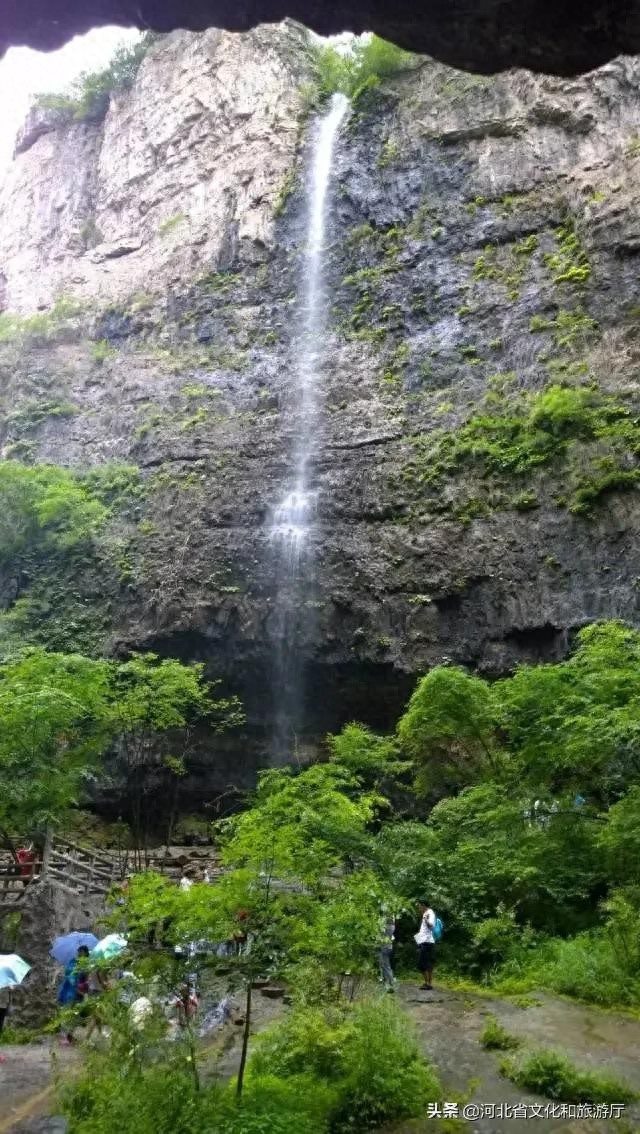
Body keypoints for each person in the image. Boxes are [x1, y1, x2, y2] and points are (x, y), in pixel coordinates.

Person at [414, 900, 436, 990]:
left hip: (426, 942)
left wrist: (426, 919)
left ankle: (427, 983)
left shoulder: (429, 913)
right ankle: (428, 983)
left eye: (419, 906)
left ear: (423, 905)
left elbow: (431, 926)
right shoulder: (426, 913)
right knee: (428, 963)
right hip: (426, 941)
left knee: (421, 964)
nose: (418, 908)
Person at [378, 913, 396, 992]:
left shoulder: (386, 927)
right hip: (389, 946)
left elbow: (380, 934)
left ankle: (390, 983)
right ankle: (388, 982)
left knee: (385, 965)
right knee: (386, 964)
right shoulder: (392, 926)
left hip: (385, 947)